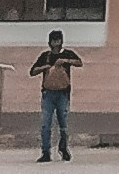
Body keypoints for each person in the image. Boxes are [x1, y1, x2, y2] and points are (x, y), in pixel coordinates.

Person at [30, 30, 82, 162]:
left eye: (57, 40)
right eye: (53, 40)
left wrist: (65, 60)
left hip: (63, 93)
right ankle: (46, 152)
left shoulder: (67, 53)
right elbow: (32, 71)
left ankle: (63, 148)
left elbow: (79, 62)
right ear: (50, 42)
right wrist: (45, 67)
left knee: (63, 124)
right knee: (45, 124)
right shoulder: (45, 56)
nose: (55, 43)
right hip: (48, 94)